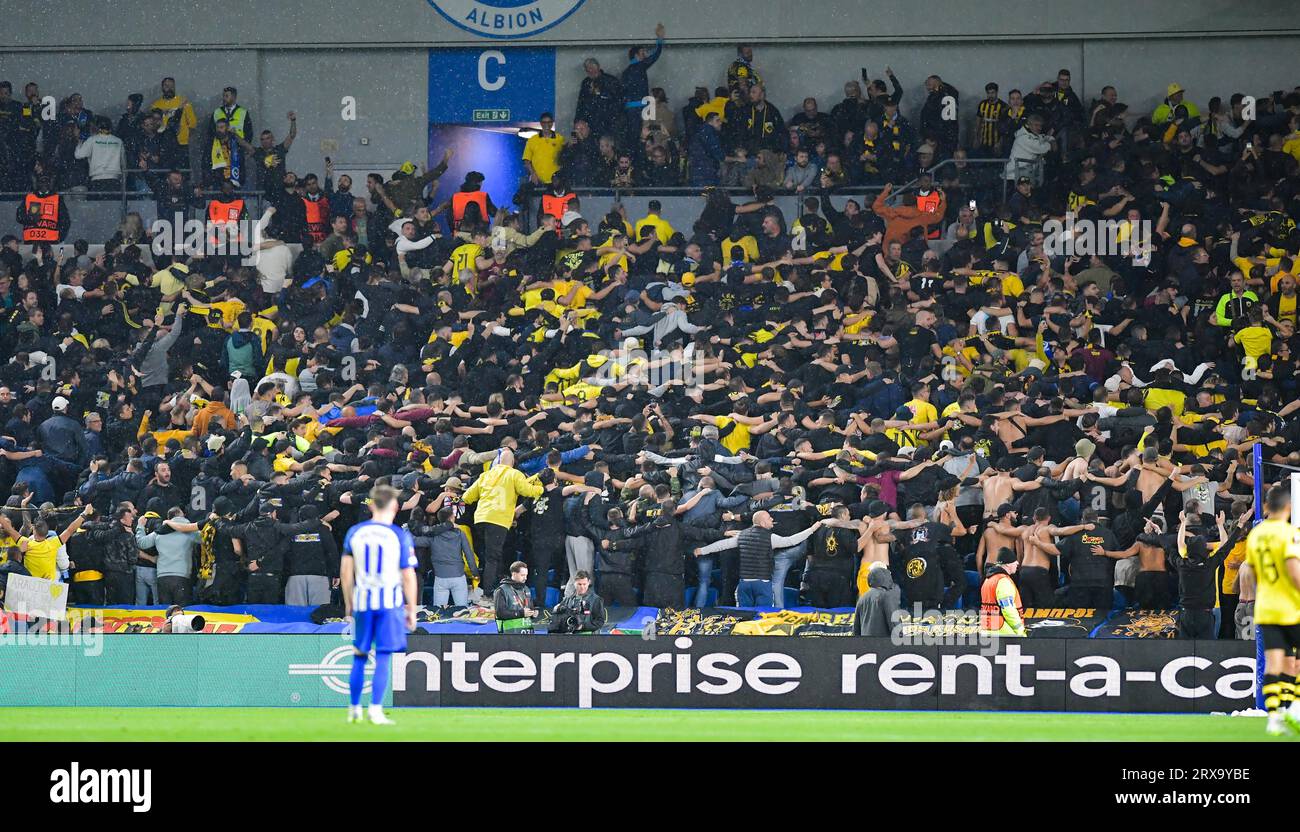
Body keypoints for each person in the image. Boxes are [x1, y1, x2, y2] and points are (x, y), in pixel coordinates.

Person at [341, 484, 417, 726]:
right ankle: (375, 710)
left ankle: (354, 709)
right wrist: (412, 608)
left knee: (359, 655)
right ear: (395, 506)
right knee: (383, 656)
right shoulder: (398, 535)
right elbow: (408, 575)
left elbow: (345, 571)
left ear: (371, 504)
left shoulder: (355, 532)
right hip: (390, 603)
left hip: (363, 601)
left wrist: (348, 603)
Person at [978, 547, 1026, 637]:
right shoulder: (1003, 581)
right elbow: (1008, 609)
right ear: (1007, 564)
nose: (1017, 563)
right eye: (1014, 561)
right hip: (1002, 631)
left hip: (987, 628)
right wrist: (1019, 630)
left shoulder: (988, 579)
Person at [494, 560, 538, 633]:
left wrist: (533, 613)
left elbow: (530, 608)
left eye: (526, 575)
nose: (525, 578)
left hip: (527, 631)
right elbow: (500, 613)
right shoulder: (501, 590)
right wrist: (521, 613)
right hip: (509, 633)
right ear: (514, 574)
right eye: (522, 575)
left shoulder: (526, 589)